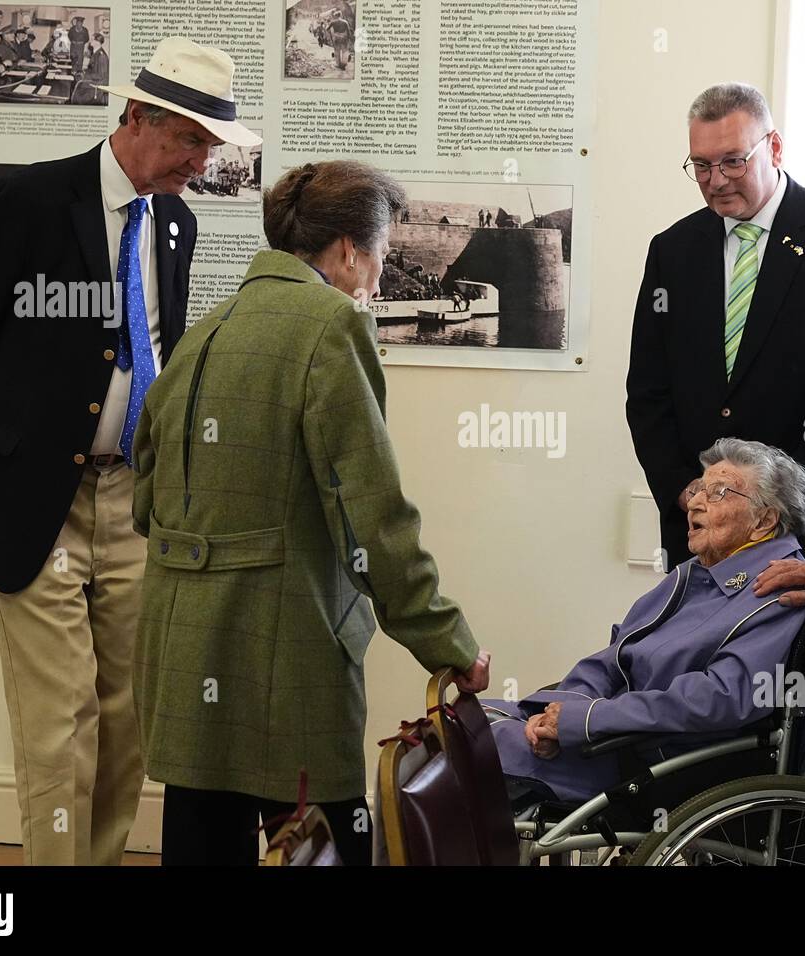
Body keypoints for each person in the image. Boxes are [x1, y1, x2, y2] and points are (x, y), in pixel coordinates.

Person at [0, 36, 259, 866]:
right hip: (34, 502)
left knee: (126, 718)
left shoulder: (174, 223)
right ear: (137, 117)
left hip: (134, 503)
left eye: (211, 148)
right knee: (59, 717)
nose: (202, 164)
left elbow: (157, 351)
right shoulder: (31, 202)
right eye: (191, 142)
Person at [130, 159, 491, 866]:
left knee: (202, 845)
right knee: (328, 846)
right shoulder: (330, 327)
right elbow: (374, 520)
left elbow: (148, 500)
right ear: (350, 250)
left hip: (182, 651)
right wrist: (448, 642)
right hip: (284, 654)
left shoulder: (207, 328)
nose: (381, 280)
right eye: (381, 257)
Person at [627, 82, 805, 573]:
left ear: (775, 148)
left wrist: (773, 500)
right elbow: (648, 392)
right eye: (701, 165)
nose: (716, 180)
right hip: (696, 529)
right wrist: (688, 491)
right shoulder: (672, 250)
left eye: (733, 161)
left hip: (795, 529)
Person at [489, 438, 805, 804]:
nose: (695, 502)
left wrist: (589, 719)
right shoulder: (694, 572)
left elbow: (720, 698)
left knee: (468, 748)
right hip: (609, 734)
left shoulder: (781, 588)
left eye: (718, 492)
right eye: (698, 489)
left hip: (654, 760)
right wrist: (564, 710)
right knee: (463, 722)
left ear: (764, 520)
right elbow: (615, 657)